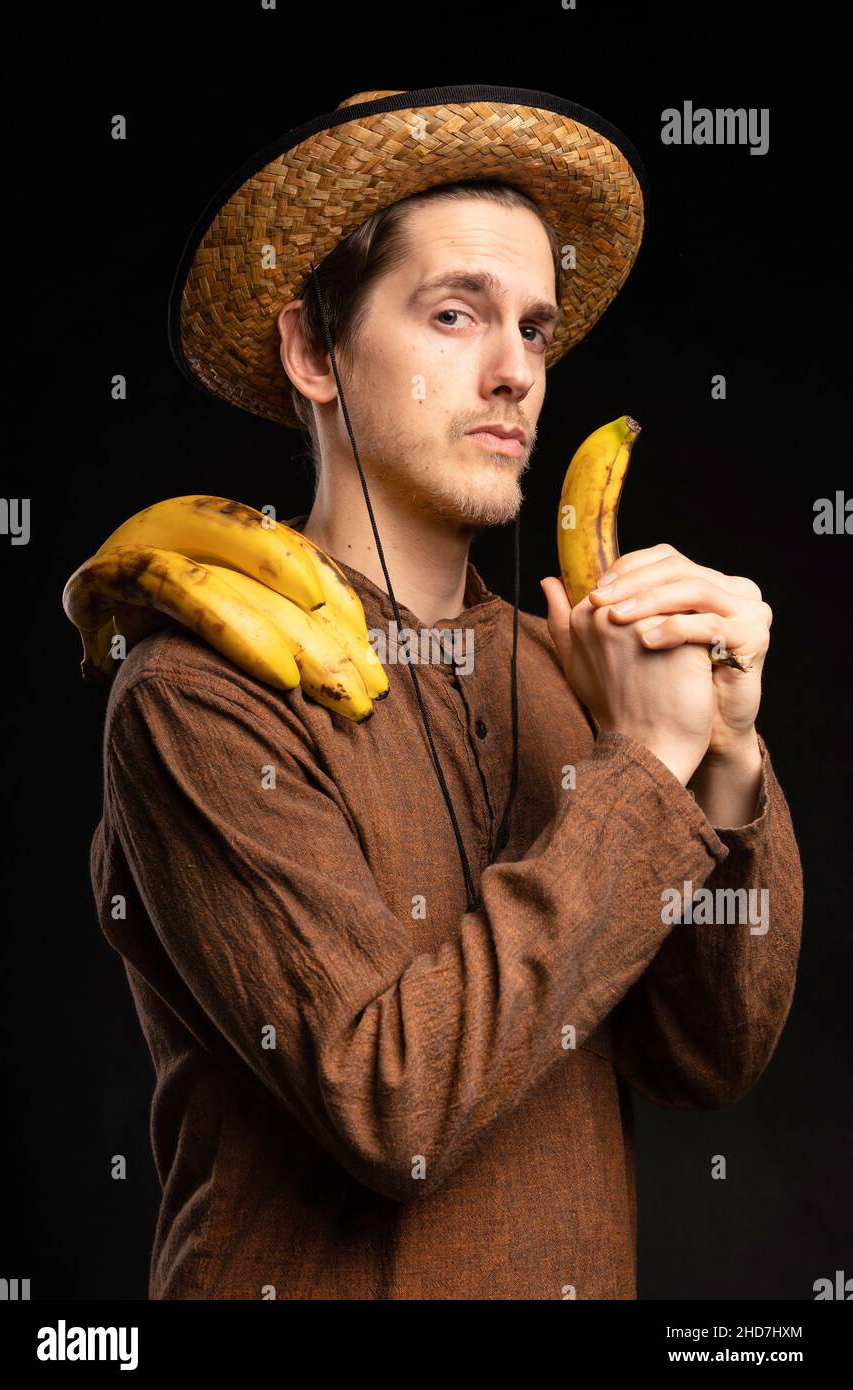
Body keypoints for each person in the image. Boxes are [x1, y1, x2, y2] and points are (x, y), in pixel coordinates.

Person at [90, 87, 803, 1299]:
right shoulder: (194, 695)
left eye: (532, 328)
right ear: (313, 353)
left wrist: (723, 760)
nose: (514, 372)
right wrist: (638, 775)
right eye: (453, 313)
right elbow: (389, 1102)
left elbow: (706, 1059)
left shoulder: (568, 670)